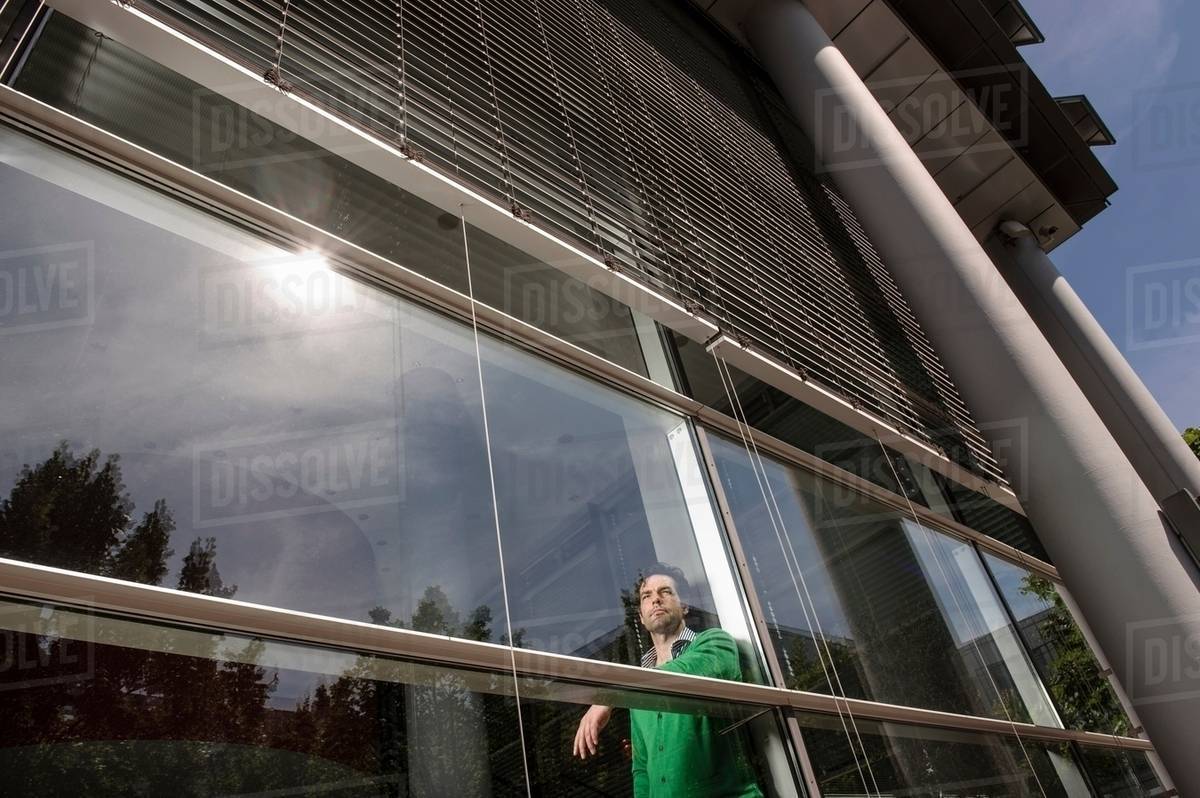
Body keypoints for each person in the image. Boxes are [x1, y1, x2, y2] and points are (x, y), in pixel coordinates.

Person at [572, 563, 764, 797]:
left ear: (684, 606)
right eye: (647, 595)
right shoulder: (637, 688)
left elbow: (683, 675)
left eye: (666, 592)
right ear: (641, 617)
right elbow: (641, 768)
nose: (656, 600)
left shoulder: (715, 642)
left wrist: (613, 693)